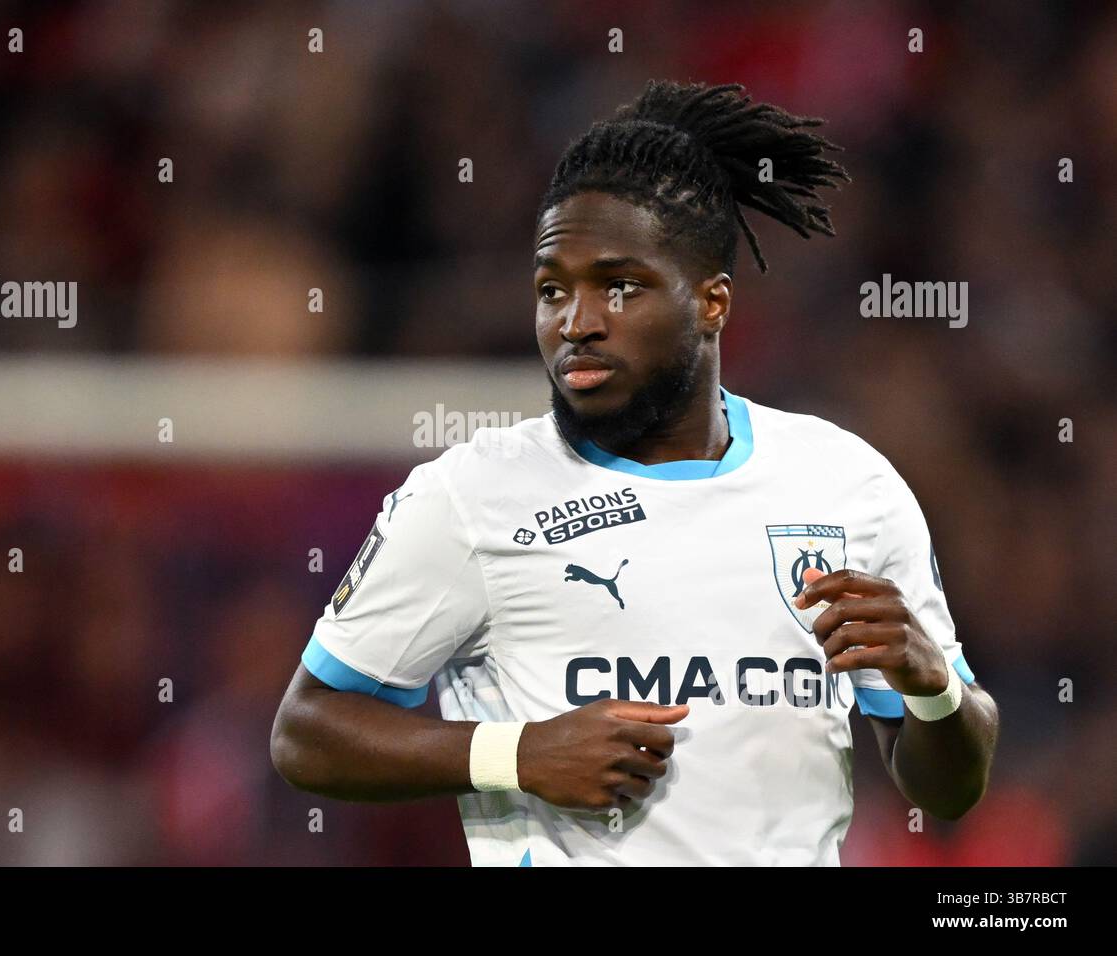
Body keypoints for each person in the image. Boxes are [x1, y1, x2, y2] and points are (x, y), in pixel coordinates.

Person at [270, 79, 1000, 866]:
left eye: (618, 286)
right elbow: (306, 731)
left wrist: (934, 688)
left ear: (712, 303)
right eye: (553, 289)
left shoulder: (847, 486)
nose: (575, 323)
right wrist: (515, 756)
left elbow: (949, 791)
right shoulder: (470, 497)